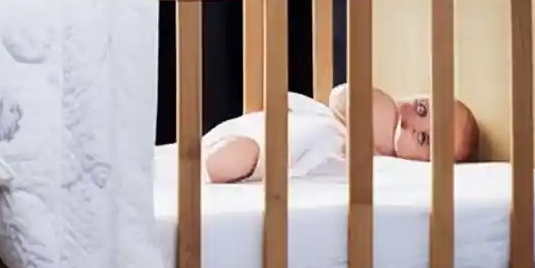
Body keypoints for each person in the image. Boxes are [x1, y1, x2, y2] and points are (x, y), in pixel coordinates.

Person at [202, 83, 479, 184]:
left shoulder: (387, 168)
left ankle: (233, 159)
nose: (411, 121)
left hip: (282, 153)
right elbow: (344, 95)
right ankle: (228, 153)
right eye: (422, 108)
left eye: (423, 138)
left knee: (250, 155)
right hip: (292, 128)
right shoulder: (377, 109)